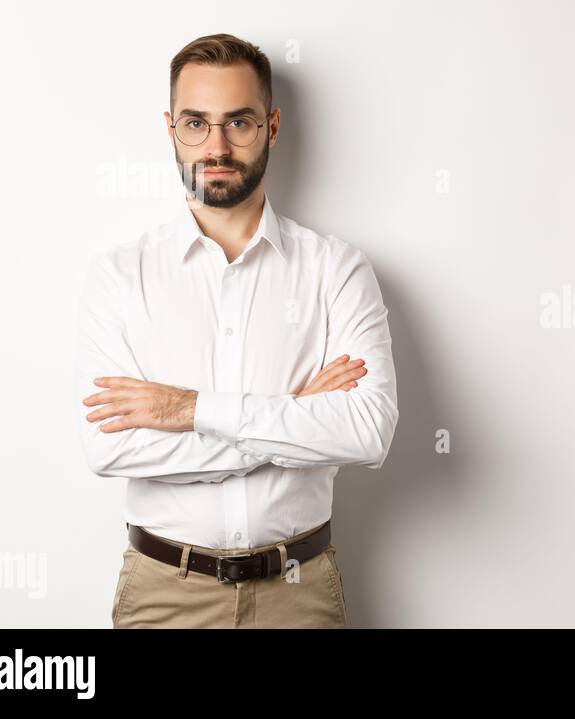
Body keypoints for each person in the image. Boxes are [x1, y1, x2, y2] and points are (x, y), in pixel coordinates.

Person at [74, 33, 399, 628]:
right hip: (163, 595)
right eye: (196, 123)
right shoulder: (121, 276)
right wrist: (293, 414)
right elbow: (109, 446)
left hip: (299, 595)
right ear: (171, 128)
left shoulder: (337, 270)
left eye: (240, 123)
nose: (217, 147)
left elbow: (366, 431)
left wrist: (189, 409)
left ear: (271, 126)